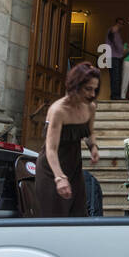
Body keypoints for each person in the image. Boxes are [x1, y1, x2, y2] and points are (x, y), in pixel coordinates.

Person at [36, 63, 101, 217]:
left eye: (95, 89)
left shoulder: (90, 107)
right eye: (88, 89)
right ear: (75, 86)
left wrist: (93, 147)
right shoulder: (58, 110)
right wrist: (59, 178)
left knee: (78, 216)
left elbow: (89, 132)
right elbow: (51, 149)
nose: (92, 94)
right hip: (51, 170)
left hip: (74, 167)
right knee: (54, 219)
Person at [105, 17, 126, 100]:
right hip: (114, 57)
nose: (120, 25)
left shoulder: (114, 32)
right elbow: (118, 45)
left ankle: (115, 95)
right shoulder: (113, 31)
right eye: (119, 23)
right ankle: (115, 96)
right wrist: (124, 51)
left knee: (115, 76)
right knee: (116, 77)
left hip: (113, 56)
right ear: (116, 23)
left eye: (121, 24)